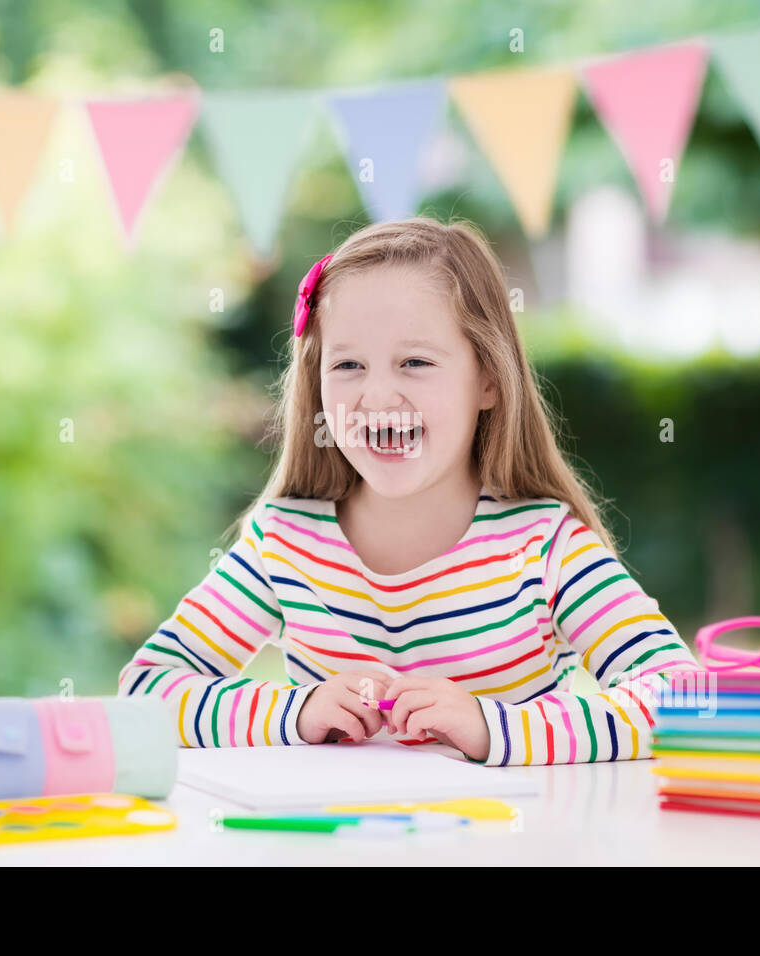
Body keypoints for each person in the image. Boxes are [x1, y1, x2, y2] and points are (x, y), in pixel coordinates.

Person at [117, 216, 699, 765]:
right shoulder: (286, 545)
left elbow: (684, 697)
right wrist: (294, 711)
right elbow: (147, 690)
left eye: (415, 362)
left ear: (489, 381)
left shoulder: (546, 547)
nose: (376, 397)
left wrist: (490, 727)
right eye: (347, 366)